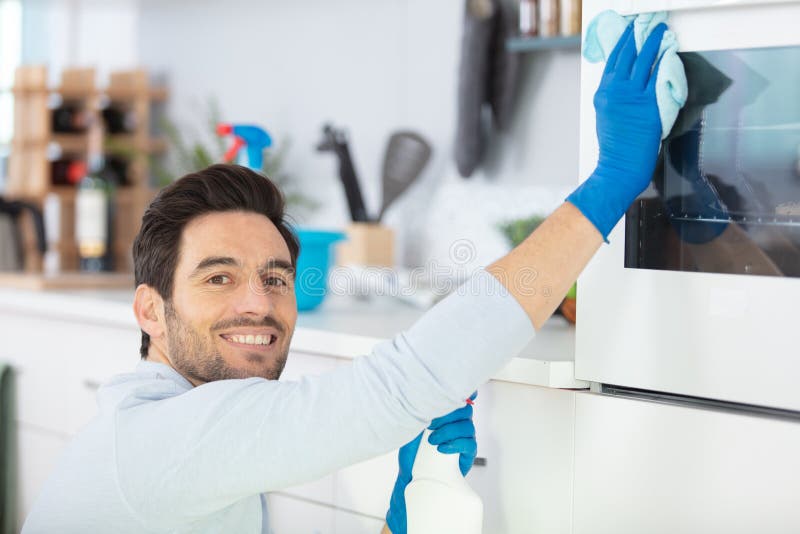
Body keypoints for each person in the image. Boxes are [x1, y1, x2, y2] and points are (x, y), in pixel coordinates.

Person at [22, 22, 671, 534]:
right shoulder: (167, 442)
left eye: (276, 278)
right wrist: (610, 181)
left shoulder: (185, 442)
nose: (258, 304)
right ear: (149, 310)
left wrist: (403, 516)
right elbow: (400, 383)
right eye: (218, 278)